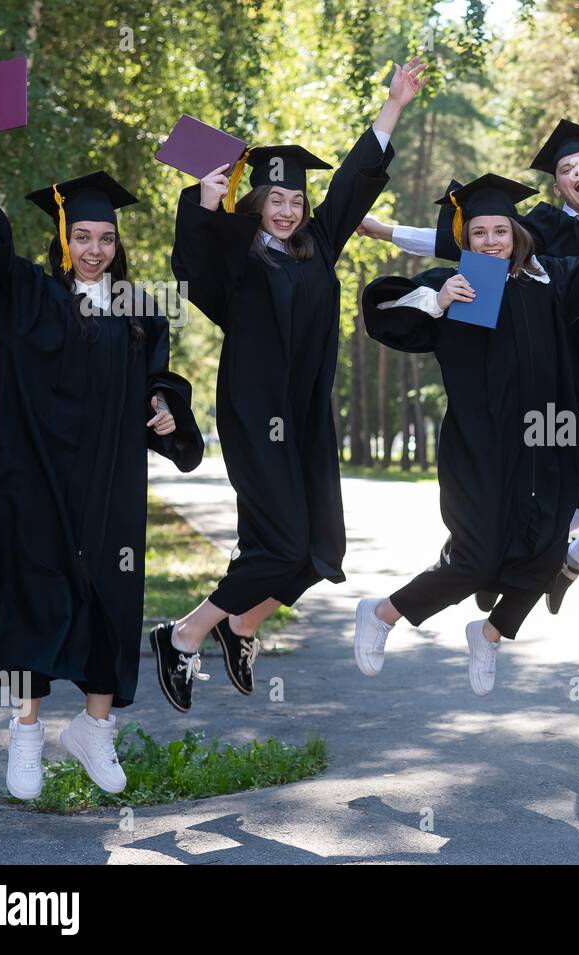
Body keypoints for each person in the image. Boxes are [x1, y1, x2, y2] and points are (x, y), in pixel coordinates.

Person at [358, 83, 579, 614]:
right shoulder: (542, 228)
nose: (577, 174)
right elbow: (473, 236)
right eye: (566, 169)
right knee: (561, 486)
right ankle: (492, 556)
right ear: (558, 184)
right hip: (571, 376)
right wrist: (389, 232)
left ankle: (563, 564)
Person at [152, 57, 428, 713]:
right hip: (252, 415)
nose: (286, 209)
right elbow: (191, 263)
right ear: (256, 203)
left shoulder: (319, 246)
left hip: (305, 419)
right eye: (275, 199)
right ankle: (184, 633)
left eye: (295, 200)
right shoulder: (235, 264)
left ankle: (242, 626)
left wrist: (393, 104)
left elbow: (358, 180)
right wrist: (205, 200)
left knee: (320, 549)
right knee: (278, 545)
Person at [0, 113, 203, 800]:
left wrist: (163, 408)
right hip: (34, 477)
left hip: (110, 483)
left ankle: (95, 728)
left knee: (109, 596)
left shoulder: (138, 311)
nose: (94, 248)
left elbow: (161, 376)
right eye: (82, 236)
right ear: (63, 237)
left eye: (105, 236)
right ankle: (27, 729)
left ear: (117, 241)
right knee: (34, 593)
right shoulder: (30, 298)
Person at [353, 162, 579, 695]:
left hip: (545, 441)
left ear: (517, 235)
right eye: (480, 233)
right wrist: (437, 303)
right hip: (480, 450)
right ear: (466, 238)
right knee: (476, 559)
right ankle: (382, 613)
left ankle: (488, 633)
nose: (491, 241)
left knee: (545, 553)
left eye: (500, 231)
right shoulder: (460, 285)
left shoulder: (548, 281)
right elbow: (383, 309)